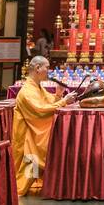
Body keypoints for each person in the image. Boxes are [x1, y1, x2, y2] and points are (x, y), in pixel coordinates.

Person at [11, 55, 77, 196]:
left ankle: (32, 183)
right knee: (30, 162)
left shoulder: (37, 87)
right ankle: (19, 189)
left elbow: (48, 102)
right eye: (47, 67)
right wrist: (63, 101)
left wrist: (58, 95)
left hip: (35, 132)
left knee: (33, 163)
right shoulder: (27, 91)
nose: (49, 70)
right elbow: (40, 110)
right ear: (37, 68)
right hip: (28, 134)